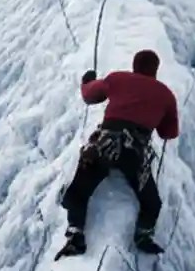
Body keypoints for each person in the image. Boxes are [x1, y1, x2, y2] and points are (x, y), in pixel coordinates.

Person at [56, 49, 179, 259]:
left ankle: (76, 235)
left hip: (105, 145)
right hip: (135, 152)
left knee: (79, 190)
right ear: (155, 70)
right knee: (151, 201)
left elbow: (89, 96)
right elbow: (169, 133)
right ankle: (143, 236)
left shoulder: (117, 79)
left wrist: (88, 80)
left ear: (134, 66)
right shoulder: (166, 94)